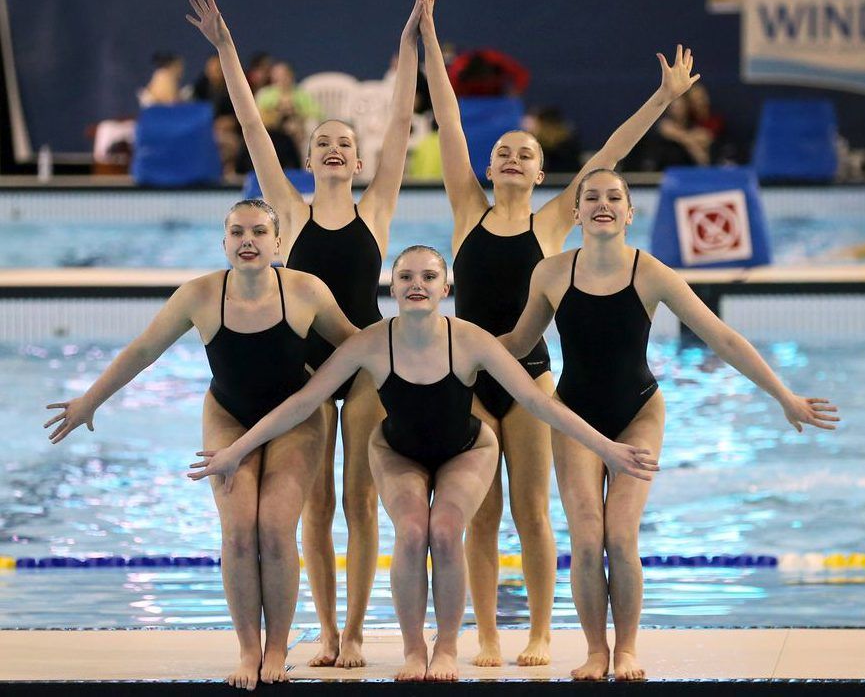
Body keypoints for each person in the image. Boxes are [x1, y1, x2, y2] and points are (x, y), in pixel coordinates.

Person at [188, 244, 659, 682]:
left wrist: (605, 447)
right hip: (395, 451)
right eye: (406, 276)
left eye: (429, 276)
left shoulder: (470, 340)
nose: (418, 284)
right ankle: (416, 649)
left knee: (446, 528)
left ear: (445, 289)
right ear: (391, 289)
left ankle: (448, 647)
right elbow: (304, 401)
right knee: (413, 530)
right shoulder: (371, 342)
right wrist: (237, 449)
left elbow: (541, 405)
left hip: (468, 451)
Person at [420, 0, 701, 668]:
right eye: (503, 154)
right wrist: (427, 37)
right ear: (489, 169)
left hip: (533, 381)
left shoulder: (554, 221)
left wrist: (663, 99)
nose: (512, 159)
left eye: (525, 155)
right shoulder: (467, 209)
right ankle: (487, 634)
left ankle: (541, 632)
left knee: (532, 513)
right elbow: (449, 118)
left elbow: (608, 152)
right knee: (477, 517)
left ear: (544, 173)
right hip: (468, 378)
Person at [500, 168, 840, 681]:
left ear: (630, 213)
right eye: (590, 197)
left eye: (614, 196)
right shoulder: (550, 274)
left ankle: (629, 649)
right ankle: (596, 651)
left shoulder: (651, 273)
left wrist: (783, 395)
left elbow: (721, 338)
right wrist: (457, 351)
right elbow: (520, 344)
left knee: (621, 534)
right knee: (588, 538)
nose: (602, 204)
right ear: (576, 215)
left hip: (638, 411)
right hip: (574, 414)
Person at [186, 0, 422, 668]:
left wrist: (410, 42)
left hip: (365, 362)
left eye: (343, 143)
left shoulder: (377, 206)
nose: (333, 150)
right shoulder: (285, 210)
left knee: (359, 502)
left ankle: (353, 633)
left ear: (355, 156)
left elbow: (404, 120)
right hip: (309, 374)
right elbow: (253, 127)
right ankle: (322, 632)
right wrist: (228, 49)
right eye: (322, 142)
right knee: (314, 510)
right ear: (310, 155)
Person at [44, 199, 357, 690]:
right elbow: (144, 349)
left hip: (297, 416)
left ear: (278, 244)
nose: (248, 241)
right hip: (228, 414)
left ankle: (277, 649)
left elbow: (354, 343)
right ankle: (249, 650)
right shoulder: (199, 295)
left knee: (275, 527)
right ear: (225, 242)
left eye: (258, 232)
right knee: (237, 530)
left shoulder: (305, 290)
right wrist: (90, 400)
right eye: (237, 233)